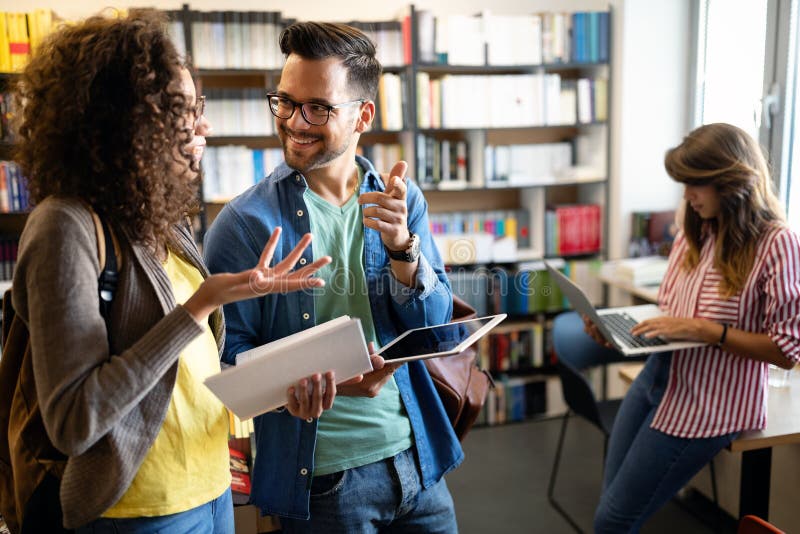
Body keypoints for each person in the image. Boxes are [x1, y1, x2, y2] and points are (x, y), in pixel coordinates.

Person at [11, 11, 336, 533]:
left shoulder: (159, 220)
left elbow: (189, 379)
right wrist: (199, 306)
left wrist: (280, 392)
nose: (203, 125)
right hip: (136, 511)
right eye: (182, 110)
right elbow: (74, 420)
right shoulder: (64, 227)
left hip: (213, 492)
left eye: (197, 106)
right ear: (126, 123)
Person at [204, 21, 462, 533]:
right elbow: (227, 364)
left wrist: (403, 251)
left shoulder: (399, 200)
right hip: (324, 483)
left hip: (418, 460)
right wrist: (313, 385)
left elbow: (438, 329)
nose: (295, 121)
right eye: (285, 102)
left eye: (318, 107)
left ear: (363, 114)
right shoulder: (243, 225)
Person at [588, 123, 800, 532]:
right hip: (659, 379)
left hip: (711, 403)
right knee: (611, 504)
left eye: (695, 185)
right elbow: (674, 316)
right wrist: (620, 335)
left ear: (732, 182)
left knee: (612, 521)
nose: (686, 195)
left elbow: (787, 351)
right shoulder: (697, 230)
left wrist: (709, 332)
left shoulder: (777, 243)